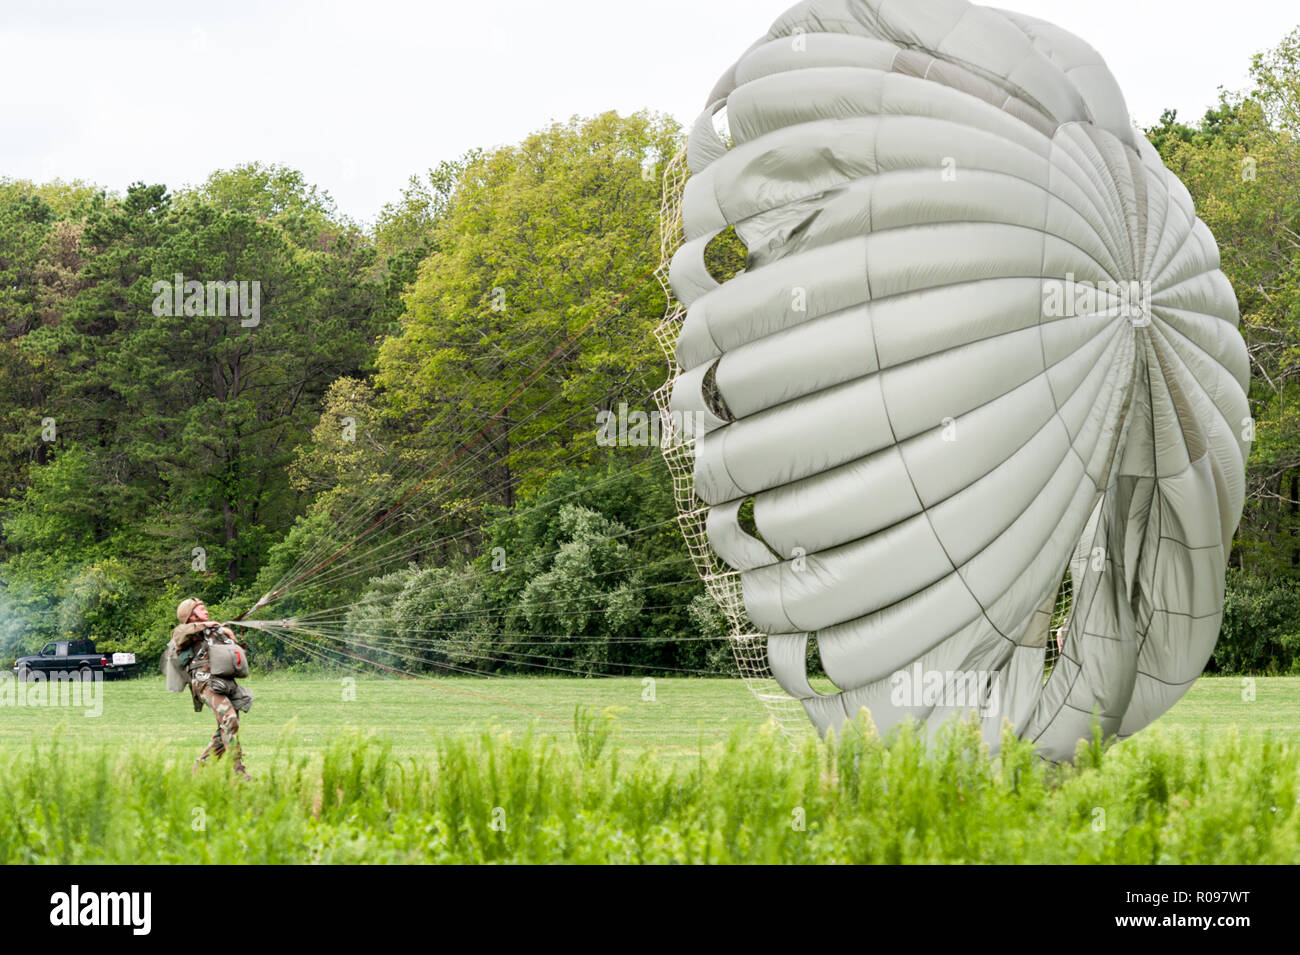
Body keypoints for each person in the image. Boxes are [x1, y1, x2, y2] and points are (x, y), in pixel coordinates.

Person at [163, 598, 254, 780]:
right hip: (205, 684)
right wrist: (206, 625)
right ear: (191, 616)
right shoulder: (184, 632)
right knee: (230, 720)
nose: (206, 611)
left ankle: (200, 768)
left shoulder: (213, 633)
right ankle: (238, 771)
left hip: (226, 683)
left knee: (224, 731)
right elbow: (181, 633)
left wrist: (228, 634)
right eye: (201, 609)